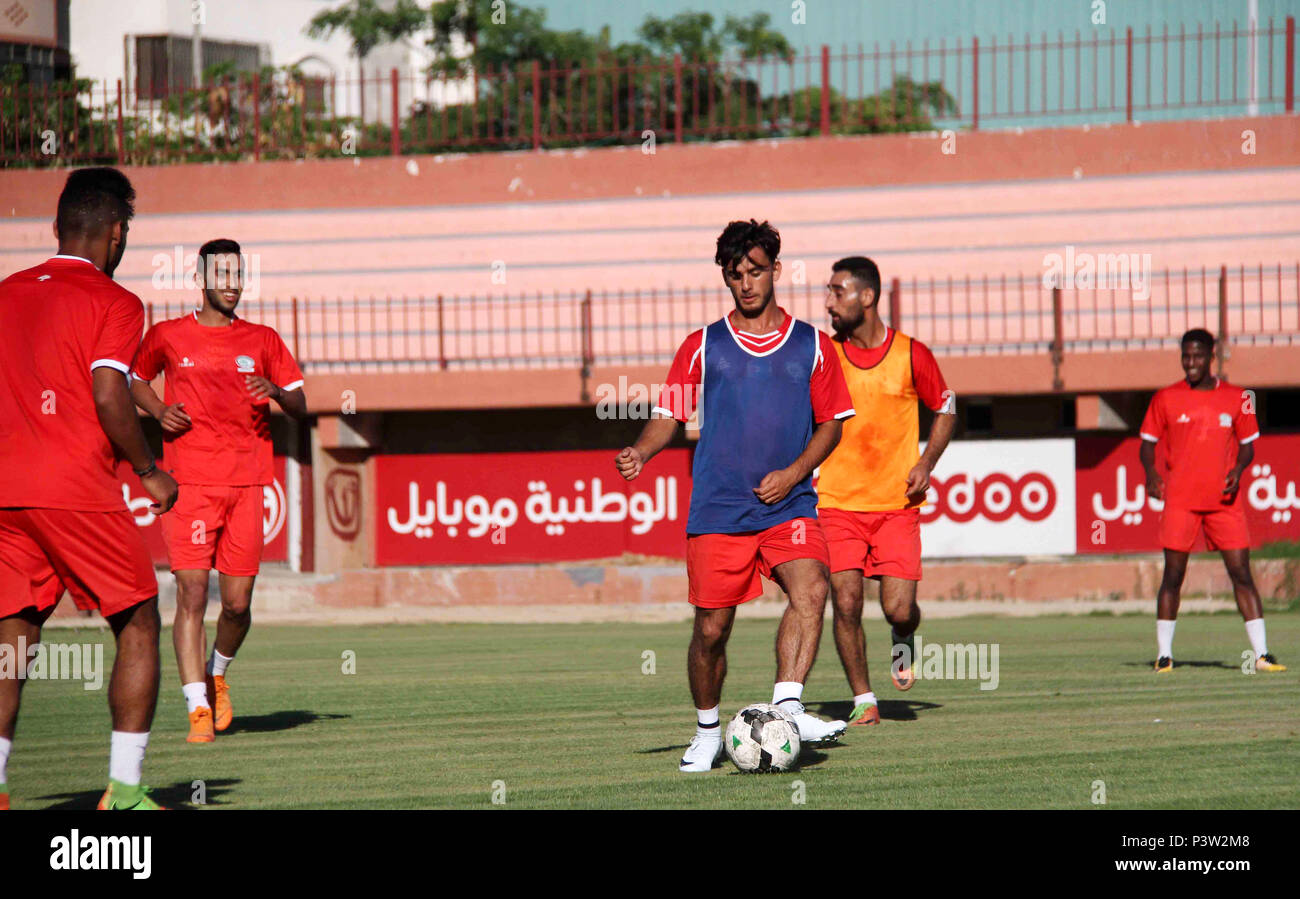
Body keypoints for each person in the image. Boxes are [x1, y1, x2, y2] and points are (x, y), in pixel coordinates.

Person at [615, 219, 855, 772]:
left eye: (754, 270)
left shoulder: (813, 345)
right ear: (724, 278)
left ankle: (788, 707)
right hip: (719, 510)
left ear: (775, 269)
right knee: (711, 630)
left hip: (787, 504)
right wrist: (642, 452)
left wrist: (794, 473)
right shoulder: (702, 345)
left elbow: (832, 425)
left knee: (812, 586)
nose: (745, 283)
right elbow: (669, 415)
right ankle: (705, 732)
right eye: (734, 274)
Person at [0, 167, 178, 810]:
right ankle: (125, 791)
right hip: (73, 487)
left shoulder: (6, 292)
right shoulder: (116, 302)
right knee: (137, 618)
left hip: (4, 493)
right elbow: (110, 394)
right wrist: (148, 470)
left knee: (12, 633)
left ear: (56, 228)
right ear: (117, 233)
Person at [130, 238, 307, 743]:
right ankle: (197, 709)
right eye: (222, 274)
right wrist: (158, 409)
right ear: (201, 278)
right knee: (189, 594)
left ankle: (217, 672)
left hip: (248, 482)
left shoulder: (263, 339)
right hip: (189, 485)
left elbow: (300, 403)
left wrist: (276, 392)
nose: (232, 284)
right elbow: (133, 380)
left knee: (236, 604)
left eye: (239, 274)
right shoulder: (166, 335)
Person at [818, 257, 957, 726]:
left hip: (897, 506)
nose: (829, 302)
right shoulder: (826, 357)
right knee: (847, 601)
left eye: (838, 292)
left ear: (868, 297)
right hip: (836, 503)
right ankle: (864, 699)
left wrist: (926, 463)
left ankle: (904, 638)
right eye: (829, 291)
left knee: (898, 608)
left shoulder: (912, 354)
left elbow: (946, 408)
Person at [1139, 328, 1284, 674]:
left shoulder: (1239, 397)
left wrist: (1238, 468)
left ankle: (1261, 655)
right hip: (1180, 501)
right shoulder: (1165, 398)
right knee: (1173, 576)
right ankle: (1164, 656)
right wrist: (1150, 473)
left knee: (1241, 574)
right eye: (1185, 356)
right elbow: (1147, 443)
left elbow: (1248, 445)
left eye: (1197, 356)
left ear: (1211, 356)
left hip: (1224, 500)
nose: (1190, 363)